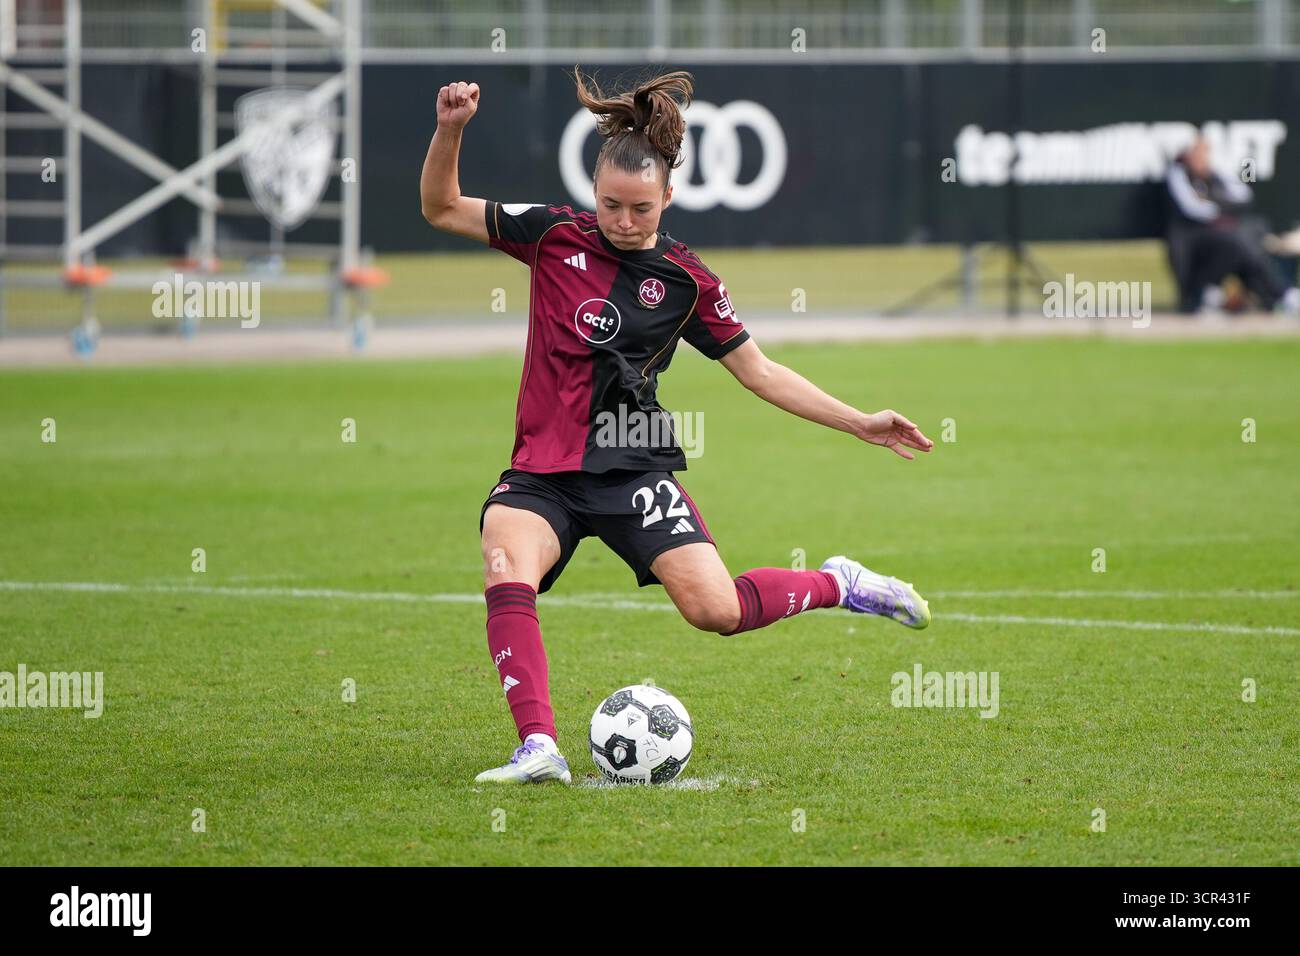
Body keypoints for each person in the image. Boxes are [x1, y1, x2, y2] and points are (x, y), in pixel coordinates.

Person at [419, 69, 935, 785]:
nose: (624, 221)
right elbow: (441, 207)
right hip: (541, 473)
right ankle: (538, 745)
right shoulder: (552, 233)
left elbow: (760, 372)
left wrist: (861, 422)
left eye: (639, 208)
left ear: (668, 196)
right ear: (592, 192)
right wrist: (451, 130)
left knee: (716, 610)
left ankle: (838, 583)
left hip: (630, 468)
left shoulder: (689, 282)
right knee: (506, 563)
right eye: (610, 206)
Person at [1165, 137, 1300, 315]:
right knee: (1237, 242)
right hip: (1193, 237)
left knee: (1248, 239)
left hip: (1223, 234)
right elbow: (1194, 209)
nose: (1201, 158)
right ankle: (1281, 294)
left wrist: (1218, 202)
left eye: (1204, 153)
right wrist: (1223, 206)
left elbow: (1243, 194)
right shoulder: (1178, 173)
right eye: (1196, 154)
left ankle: (1276, 295)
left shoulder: (1215, 172)